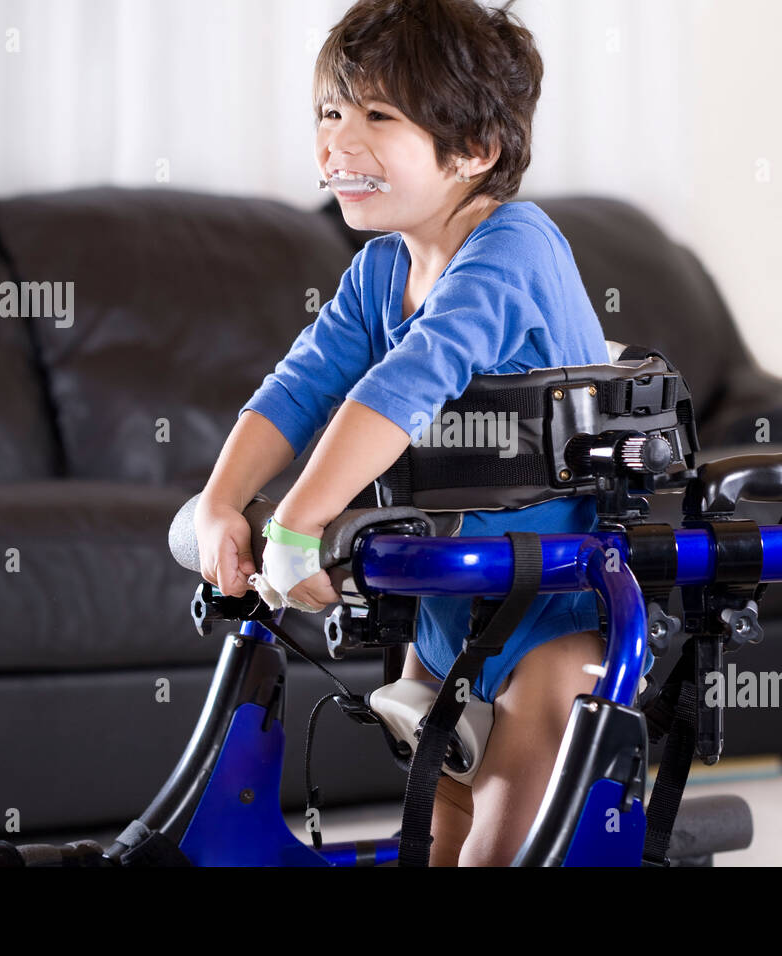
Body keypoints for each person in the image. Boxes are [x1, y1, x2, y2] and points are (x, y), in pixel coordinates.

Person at [194, 0, 652, 866]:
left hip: (552, 616)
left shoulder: (514, 247)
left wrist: (295, 526)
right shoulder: (379, 270)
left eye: (378, 116)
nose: (339, 142)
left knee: (500, 850)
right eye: (330, 113)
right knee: (431, 844)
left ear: (475, 150)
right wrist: (221, 501)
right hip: (443, 614)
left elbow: (408, 382)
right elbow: (298, 386)